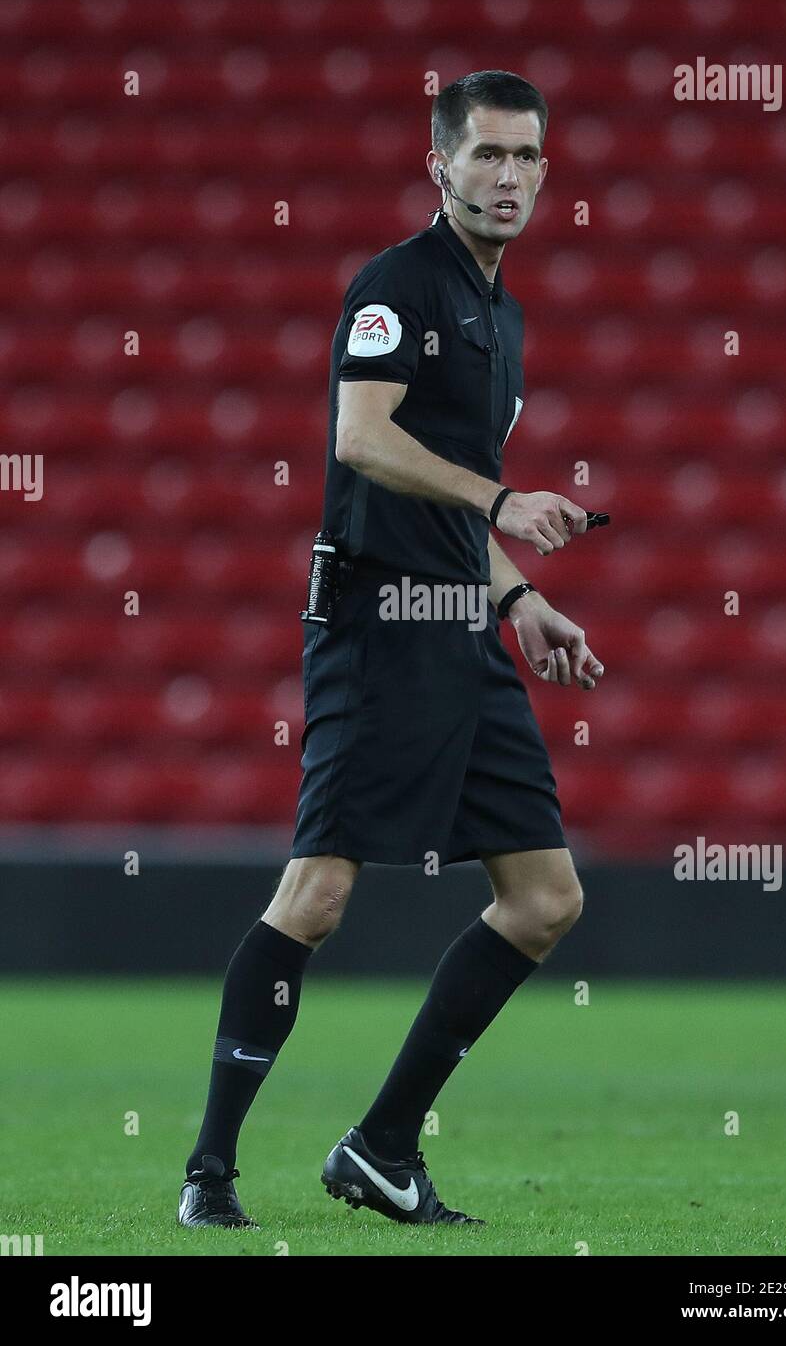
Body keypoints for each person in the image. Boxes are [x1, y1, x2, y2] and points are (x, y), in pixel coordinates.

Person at [178, 69, 604, 1231]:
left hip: (464, 627)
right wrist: (505, 499)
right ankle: (207, 1172)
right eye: (486, 157)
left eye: (525, 159)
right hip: (376, 625)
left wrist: (518, 600)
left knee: (543, 896)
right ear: (440, 165)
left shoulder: (501, 313)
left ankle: (377, 1147)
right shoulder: (395, 288)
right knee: (315, 896)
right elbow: (360, 439)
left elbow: (457, 511)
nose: (506, 178)